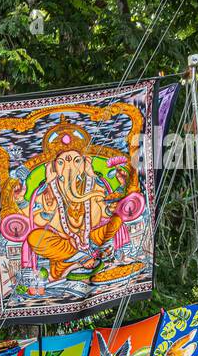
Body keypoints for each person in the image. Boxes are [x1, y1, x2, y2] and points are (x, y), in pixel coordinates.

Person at [24, 119, 141, 284]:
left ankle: (96, 256)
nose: (69, 166)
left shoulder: (93, 184)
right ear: (54, 167)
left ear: (84, 164)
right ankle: (79, 259)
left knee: (117, 220)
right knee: (35, 238)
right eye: (62, 162)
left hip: (92, 240)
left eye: (76, 160)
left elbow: (104, 209)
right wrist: (48, 209)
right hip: (65, 246)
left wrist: (114, 197)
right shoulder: (47, 191)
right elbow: (34, 219)